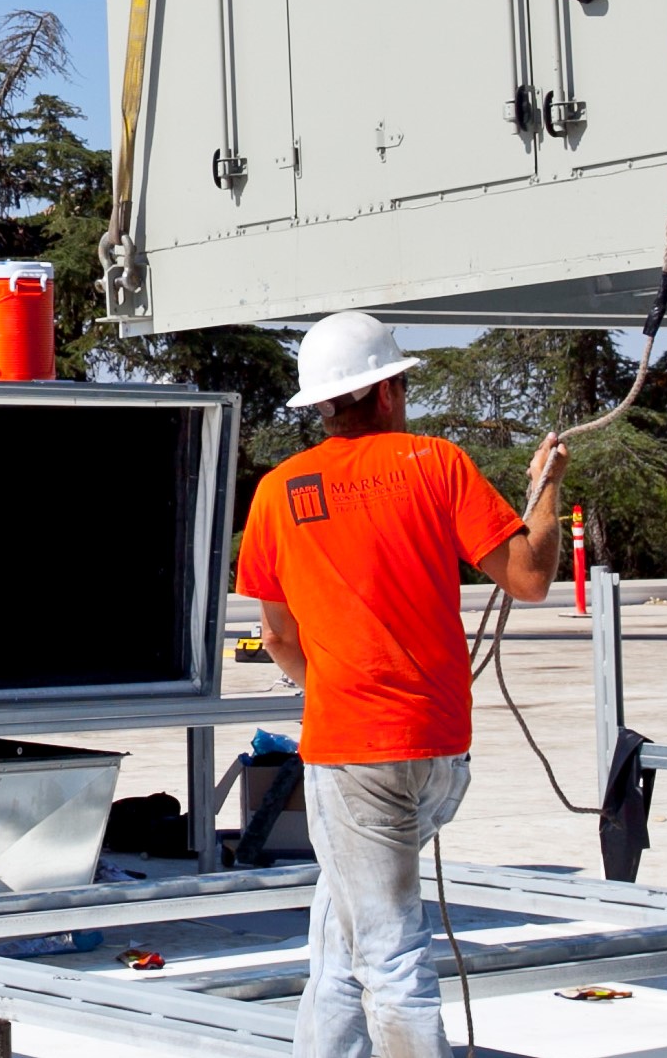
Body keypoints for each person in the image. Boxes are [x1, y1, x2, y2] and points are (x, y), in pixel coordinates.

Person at [234, 310, 570, 1058]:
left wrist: (335, 690)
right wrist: (545, 489)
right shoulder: (435, 464)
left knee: (386, 956)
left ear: (322, 403)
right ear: (386, 390)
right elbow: (530, 577)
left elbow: (280, 639)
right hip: (439, 749)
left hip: (351, 755)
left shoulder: (278, 493)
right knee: (341, 935)